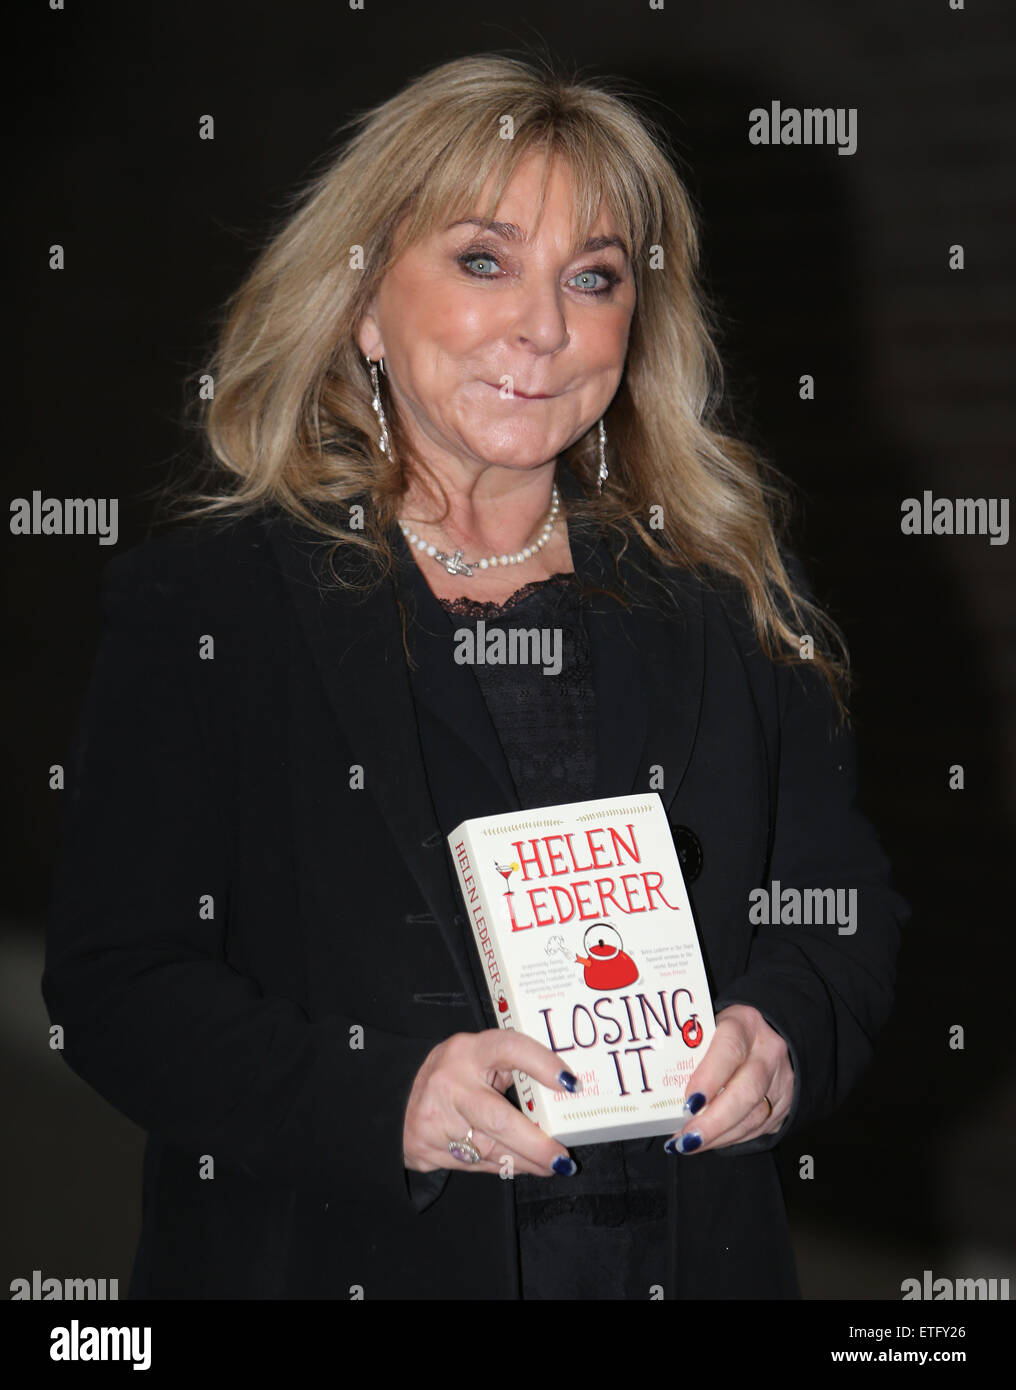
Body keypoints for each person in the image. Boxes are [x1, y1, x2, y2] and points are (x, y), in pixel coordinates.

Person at [42, 52, 908, 1300]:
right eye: (483, 259)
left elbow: (838, 906)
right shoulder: (216, 603)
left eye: (593, 278)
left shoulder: (726, 590)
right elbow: (116, 981)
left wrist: (781, 1036)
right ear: (362, 306)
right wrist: (381, 1096)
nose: (543, 328)